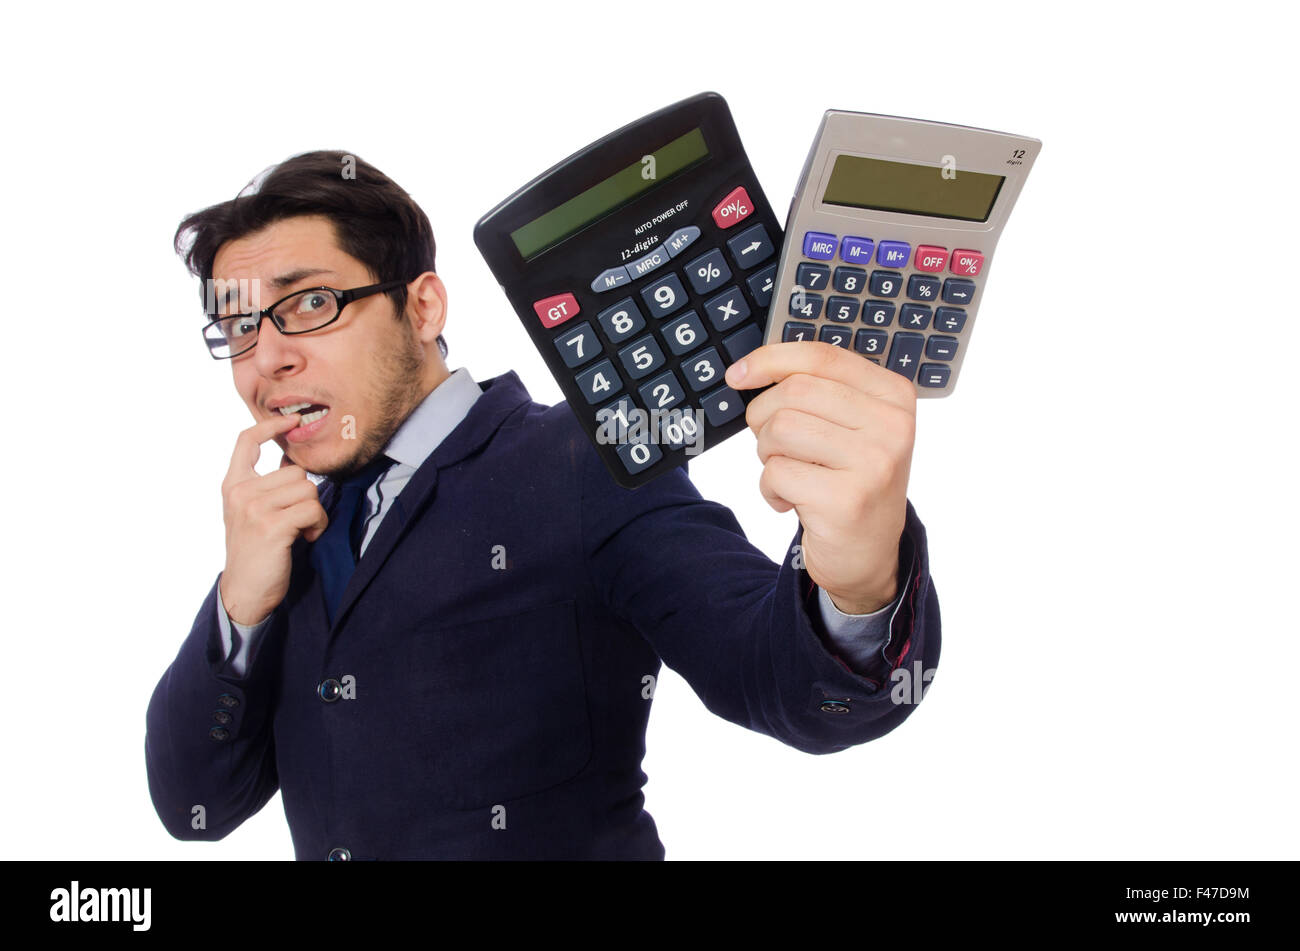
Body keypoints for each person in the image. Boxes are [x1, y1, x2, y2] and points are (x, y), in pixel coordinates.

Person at [144, 150, 941, 860]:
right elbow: (193, 806)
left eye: (309, 304)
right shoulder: (291, 532)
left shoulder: (581, 461)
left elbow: (785, 685)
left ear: (422, 308)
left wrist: (858, 582)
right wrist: (240, 602)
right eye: (238, 328)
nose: (268, 358)